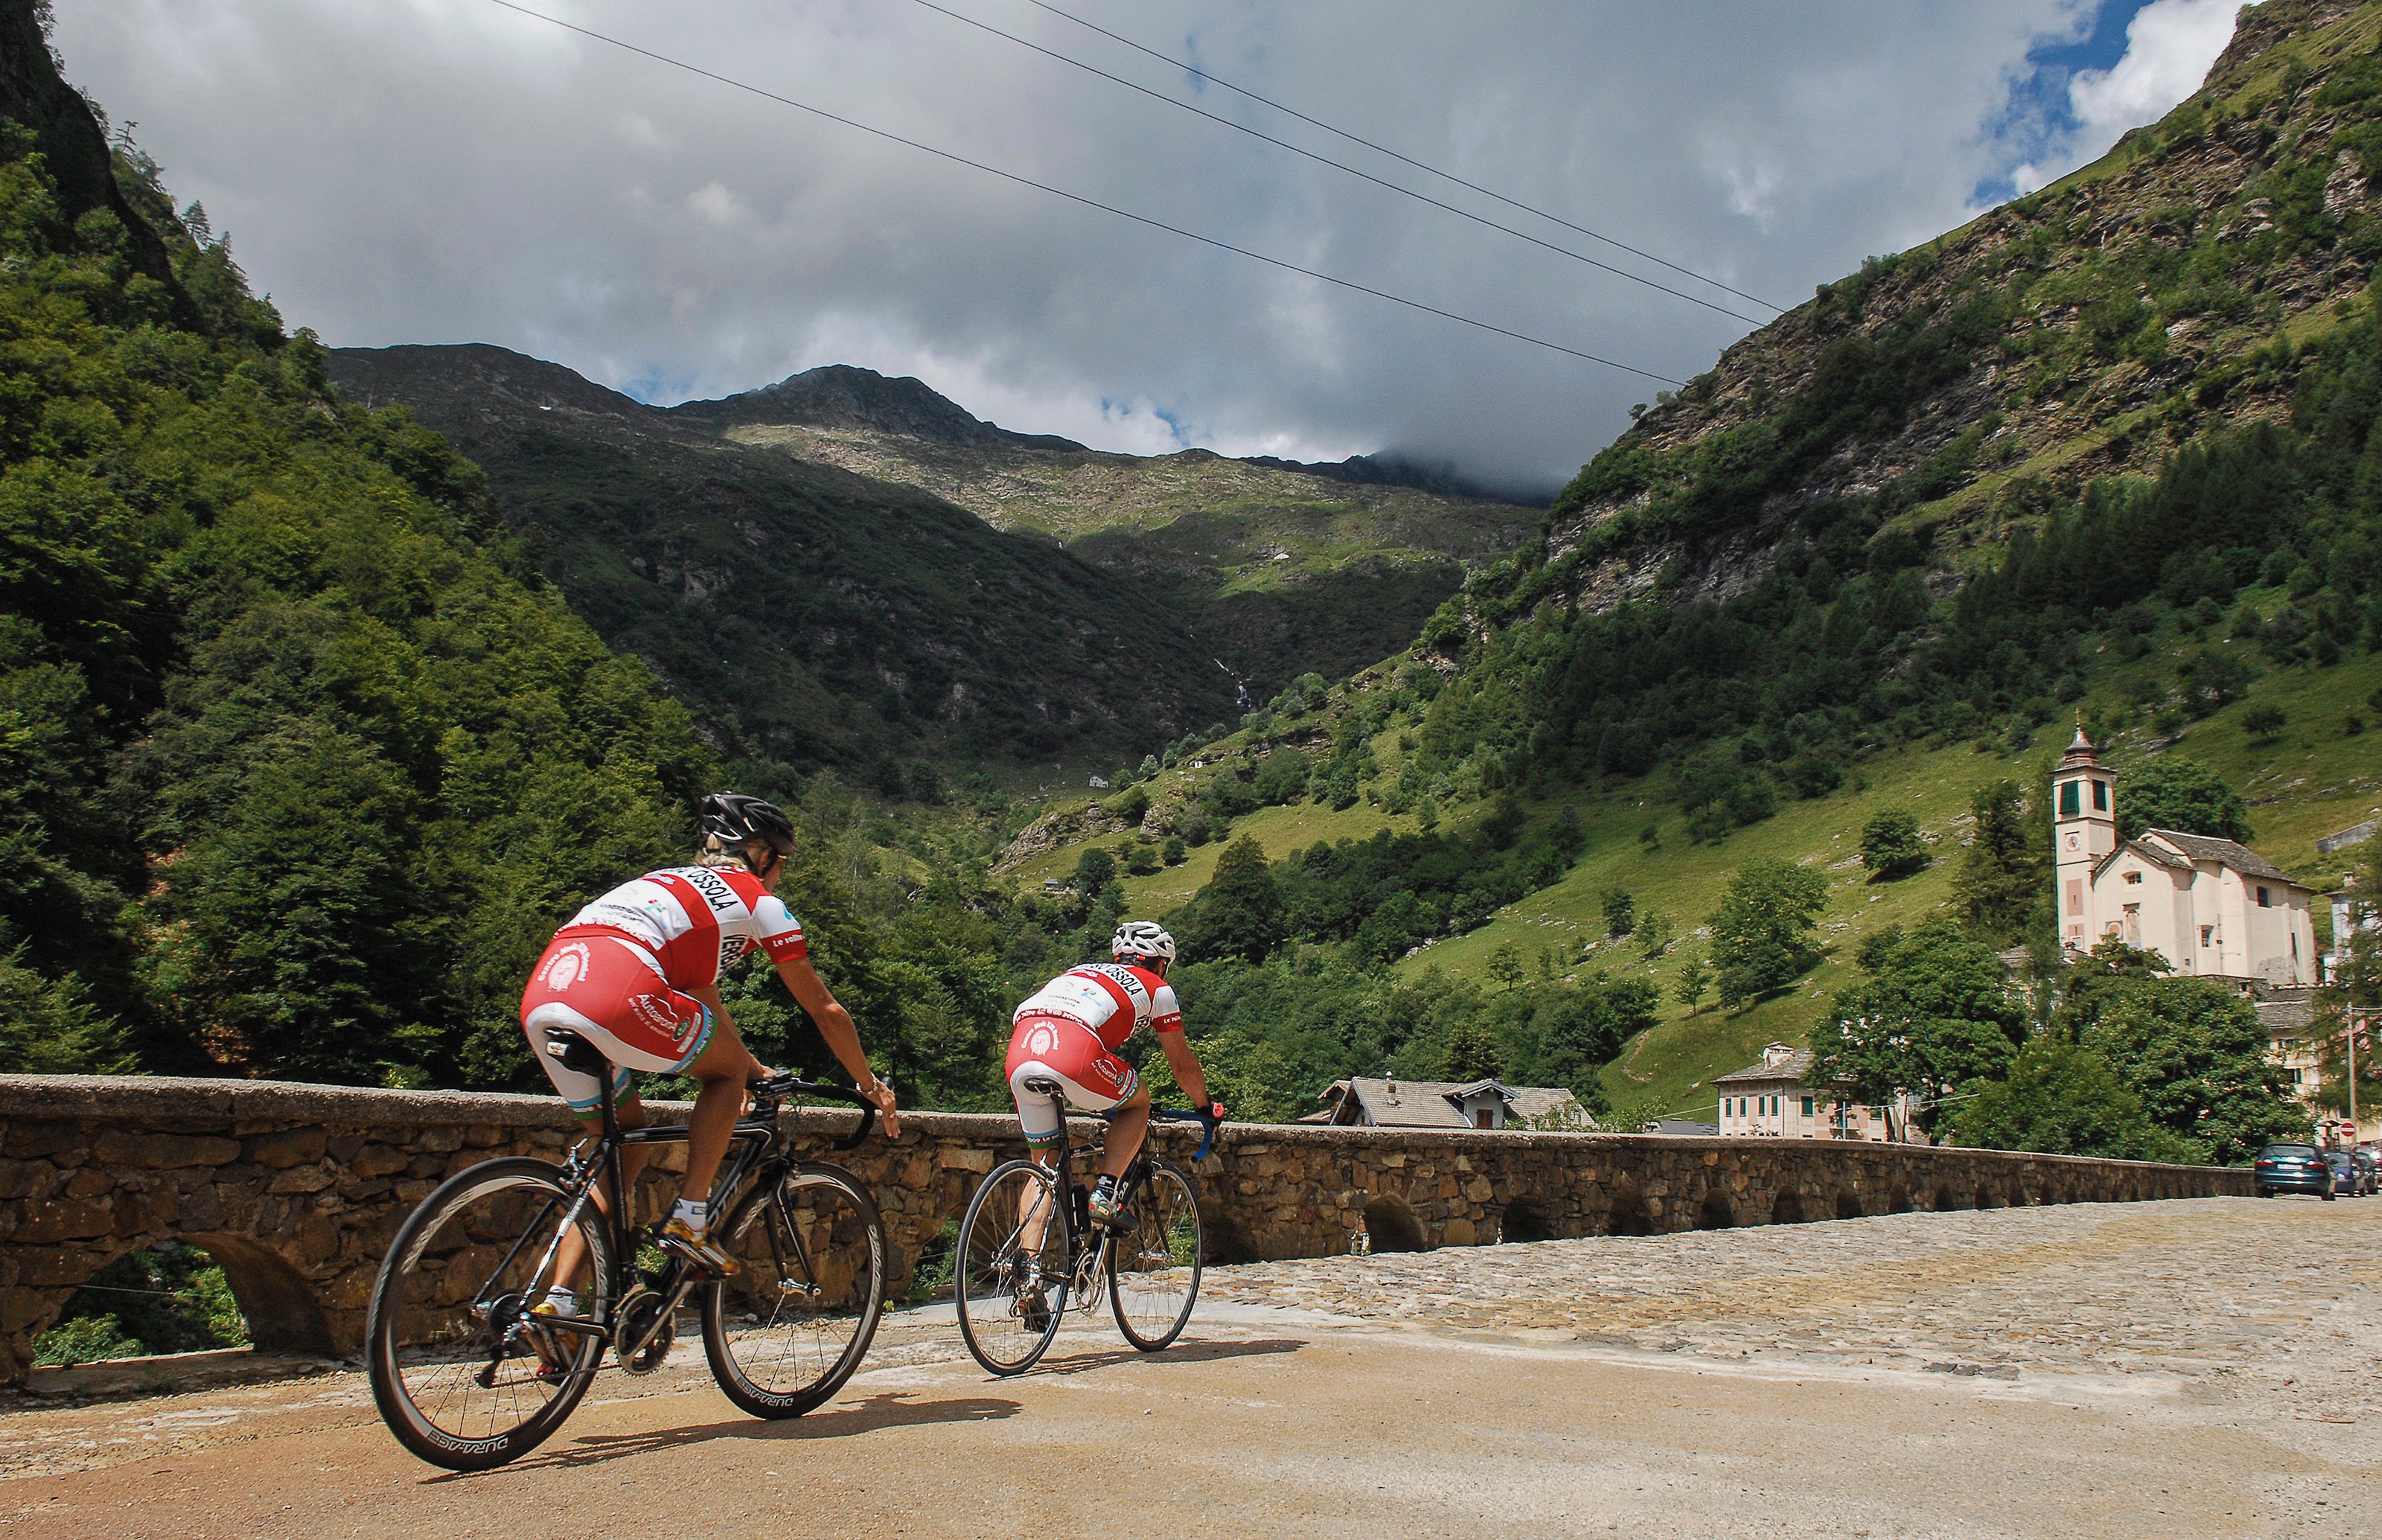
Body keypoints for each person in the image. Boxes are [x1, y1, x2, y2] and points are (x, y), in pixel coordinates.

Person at [517, 793, 898, 1320]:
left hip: (547, 989)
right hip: (618, 987)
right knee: (725, 1075)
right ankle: (691, 1216)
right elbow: (826, 1009)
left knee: (621, 1147)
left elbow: (701, 995)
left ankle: (557, 1305)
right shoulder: (758, 900)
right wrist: (867, 1084)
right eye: (782, 861)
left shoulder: (668, 883)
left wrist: (753, 1066)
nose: (780, 873)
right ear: (762, 855)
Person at [1006, 921, 1222, 1231]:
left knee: (1043, 1170)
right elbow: (1182, 1066)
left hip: (1022, 1050)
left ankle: (1029, 1271)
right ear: (1161, 964)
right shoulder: (1157, 988)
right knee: (1137, 1104)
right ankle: (1106, 1193)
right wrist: (1204, 1107)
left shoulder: (1079, 970)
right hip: (1074, 1053)